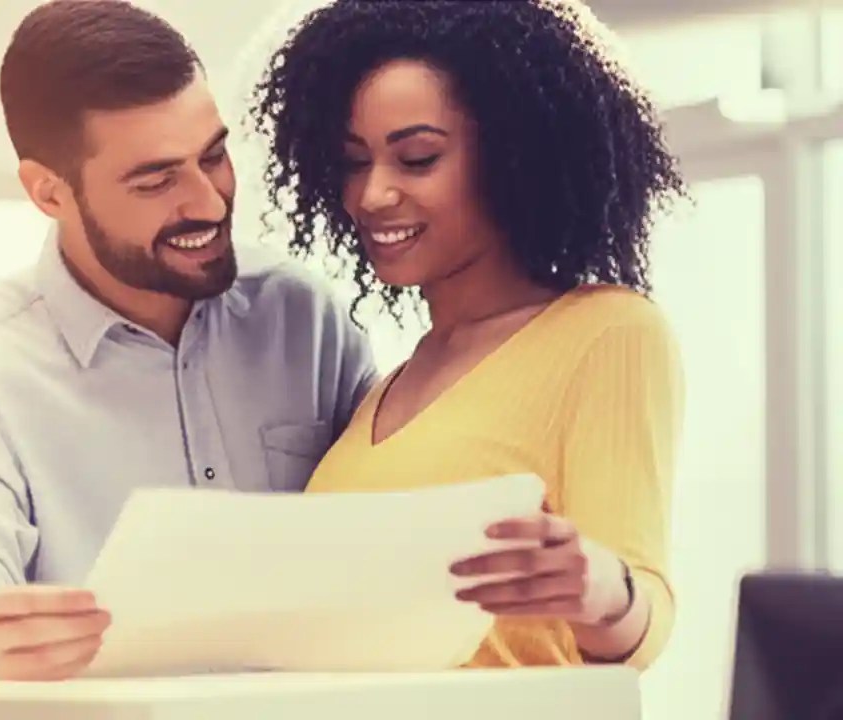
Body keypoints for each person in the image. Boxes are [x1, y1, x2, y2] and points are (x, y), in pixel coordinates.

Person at [0, 0, 377, 681]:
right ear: (49, 193)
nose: (209, 202)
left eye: (214, 155)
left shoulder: (302, 316)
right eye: (157, 179)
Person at [250, 0, 685, 669]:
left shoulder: (607, 333)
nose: (371, 196)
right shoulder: (391, 383)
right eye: (353, 163)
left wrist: (603, 591)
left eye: (417, 158)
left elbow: (642, 618)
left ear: (514, 158)